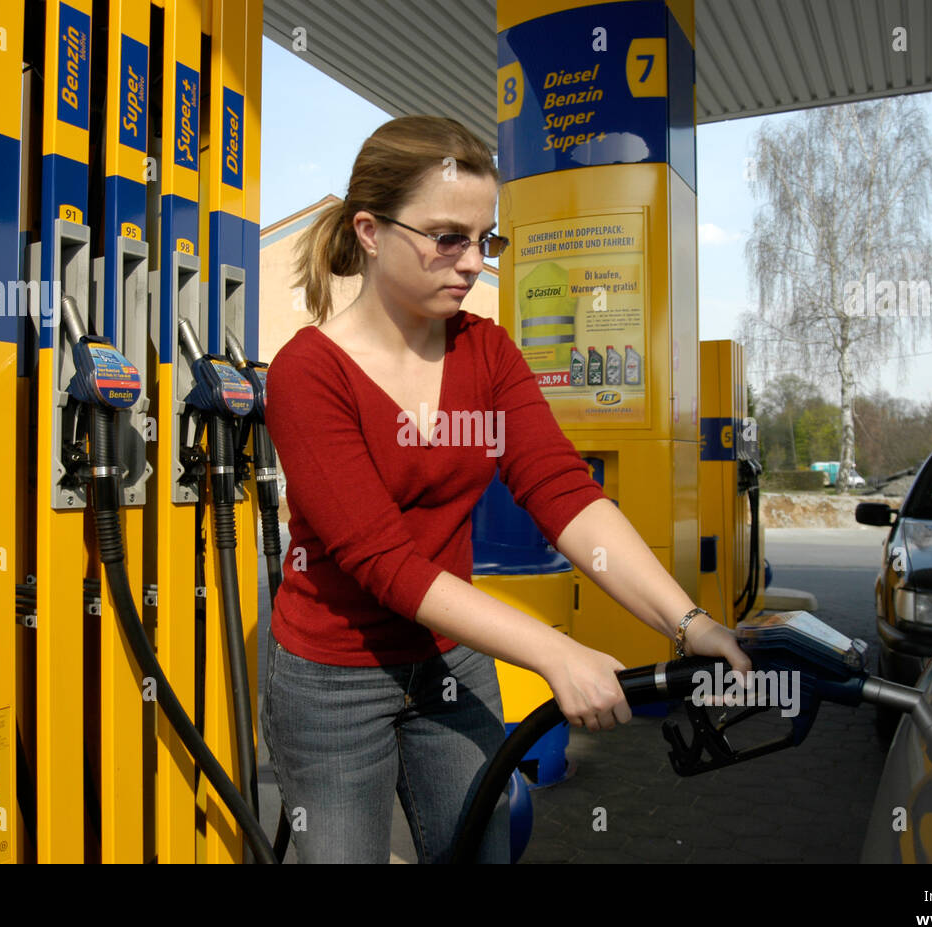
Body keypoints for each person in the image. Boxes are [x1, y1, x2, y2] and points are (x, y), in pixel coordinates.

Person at [262, 115, 752, 864]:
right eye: (446, 236)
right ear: (368, 230)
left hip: (451, 662)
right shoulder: (308, 373)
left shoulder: (486, 352)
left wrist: (689, 622)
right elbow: (383, 562)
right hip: (332, 681)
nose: (469, 263)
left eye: (484, 240)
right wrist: (554, 653)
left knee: (484, 850)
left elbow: (565, 494)